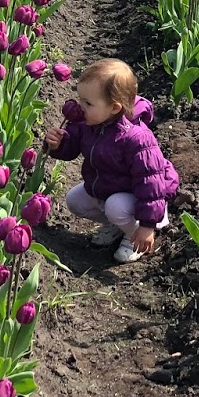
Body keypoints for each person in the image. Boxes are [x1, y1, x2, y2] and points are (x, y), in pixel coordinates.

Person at [45, 58, 179, 263]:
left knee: (116, 207)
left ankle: (137, 236)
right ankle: (120, 226)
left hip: (141, 196)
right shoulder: (89, 122)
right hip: (110, 188)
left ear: (114, 108)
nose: (80, 107)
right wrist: (58, 145)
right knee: (75, 200)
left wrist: (147, 225)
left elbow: (150, 184)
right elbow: (71, 149)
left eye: (87, 103)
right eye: (80, 99)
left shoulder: (137, 139)